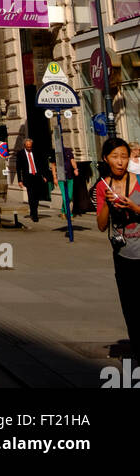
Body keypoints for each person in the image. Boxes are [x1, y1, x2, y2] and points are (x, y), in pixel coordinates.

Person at [96, 136, 140, 363]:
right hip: (123, 255)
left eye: (124, 156)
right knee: (130, 307)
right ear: (106, 159)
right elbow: (102, 225)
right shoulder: (103, 186)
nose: (121, 161)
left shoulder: (139, 180)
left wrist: (133, 206)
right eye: (115, 157)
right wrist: (108, 205)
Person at [16, 138, 48, 222]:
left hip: (36, 176)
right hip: (28, 177)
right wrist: (19, 180)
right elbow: (18, 168)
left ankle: (34, 210)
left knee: (37, 196)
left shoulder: (36, 152)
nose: (29, 148)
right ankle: (34, 214)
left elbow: (41, 164)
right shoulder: (20, 154)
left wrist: (44, 176)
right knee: (31, 196)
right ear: (24, 146)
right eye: (27, 147)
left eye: (30, 147)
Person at [49, 142, 77, 218]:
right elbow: (53, 166)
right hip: (61, 177)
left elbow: (72, 161)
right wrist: (54, 178)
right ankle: (69, 213)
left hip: (70, 176)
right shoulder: (55, 153)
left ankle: (62, 211)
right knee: (65, 197)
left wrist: (75, 169)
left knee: (70, 196)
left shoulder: (68, 151)